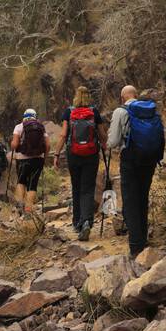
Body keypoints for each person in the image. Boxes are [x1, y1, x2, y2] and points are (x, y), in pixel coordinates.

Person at [108, 85, 164, 258]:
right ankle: (143, 239)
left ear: (122, 97)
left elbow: (113, 141)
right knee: (142, 196)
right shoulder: (150, 111)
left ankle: (135, 245)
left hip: (130, 159)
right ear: (136, 95)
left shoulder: (120, 111)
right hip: (150, 159)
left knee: (130, 199)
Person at [54, 86, 106, 239]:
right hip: (91, 153)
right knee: (88, 188)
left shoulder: (69, 112)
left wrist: (56, 153)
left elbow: (63, 135)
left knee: (76, 186)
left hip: (73, 154)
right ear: (88, 96)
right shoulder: (94, 111)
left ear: (76, 96)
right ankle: (87, 222)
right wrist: (105, 146)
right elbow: (102, 134)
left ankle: (77, 222)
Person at [10, 108, 48, 216]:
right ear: (35, 116)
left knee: (21, 181)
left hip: (22, 159)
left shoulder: (19, 126)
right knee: (33, 184)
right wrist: (44, 157)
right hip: (38, 159)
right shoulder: (41, 127)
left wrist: (12, 144)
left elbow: (15, 144)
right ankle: (28, 210)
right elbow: (48, 145)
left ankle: (20, 206)